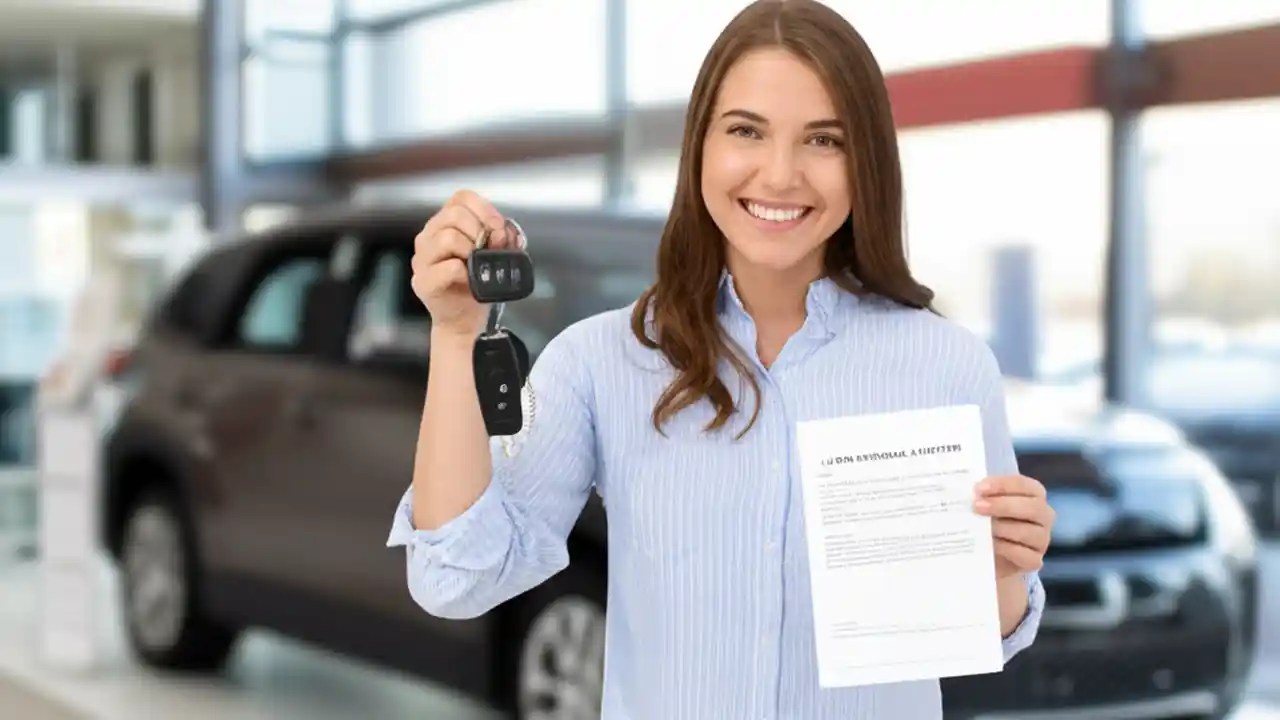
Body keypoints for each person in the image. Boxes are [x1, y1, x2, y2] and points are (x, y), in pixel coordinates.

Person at [387, 1, 1055, 717]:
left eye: (824, 140)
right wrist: (457, 339)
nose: (780, 174)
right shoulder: (600, 362)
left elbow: (992, 630)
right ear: (700, 145)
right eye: (746, 131)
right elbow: (457, 579)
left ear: (867, 161)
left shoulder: (946, 366)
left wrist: (1001, 571)